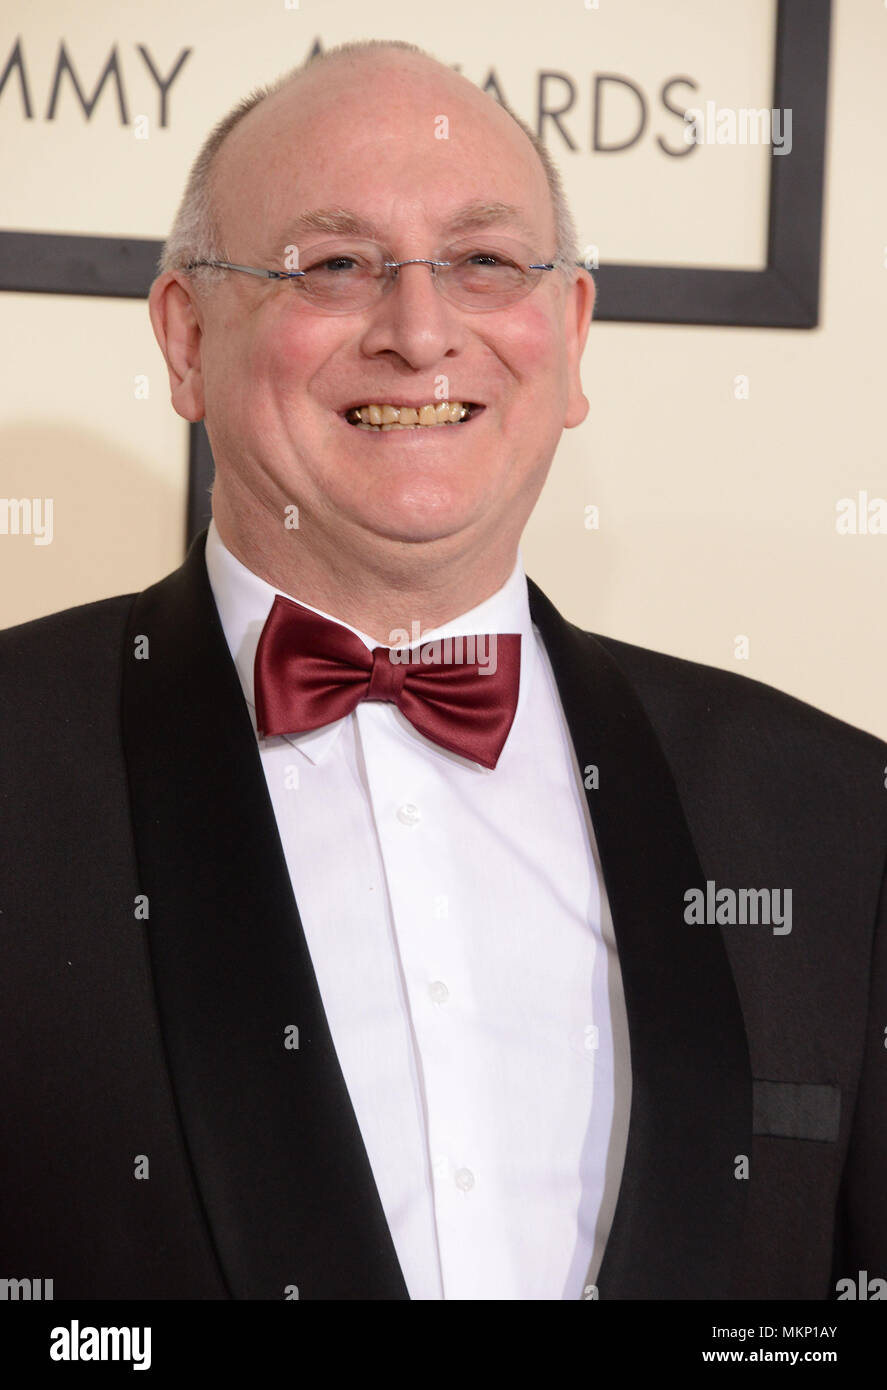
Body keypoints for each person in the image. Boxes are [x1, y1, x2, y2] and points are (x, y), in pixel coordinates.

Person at [1, 37, 885, 1303]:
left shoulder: (834, 816)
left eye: (482, 261)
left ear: (570, 332)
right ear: (187, 340)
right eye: (335, 264)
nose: (420, 333)